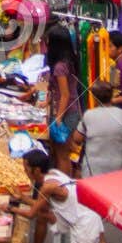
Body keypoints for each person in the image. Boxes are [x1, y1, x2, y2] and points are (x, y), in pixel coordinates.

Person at [12, 145, 103, 243]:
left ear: (36, 170)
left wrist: (10, 209)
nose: (25, 171)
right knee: (44, 214)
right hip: (74, 214)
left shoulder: (47, 187)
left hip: (85, 220)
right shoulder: (53, 174)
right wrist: (22, 198)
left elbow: (31, 214)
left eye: (26, 168)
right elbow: (40, 205)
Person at [73, 79, 122, 177]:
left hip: (92, 169)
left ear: (95, 97)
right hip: (118, 165)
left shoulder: (89, 115)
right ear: (112, 95)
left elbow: (77, 139)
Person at [45, 24, 83, 171]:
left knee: (62, 154)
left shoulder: (59, 67)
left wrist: (58, 118)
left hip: (67, 113)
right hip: (72, 111)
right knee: (64, 152)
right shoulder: (70, 61)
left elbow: (65, 94)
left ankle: (64, 182)